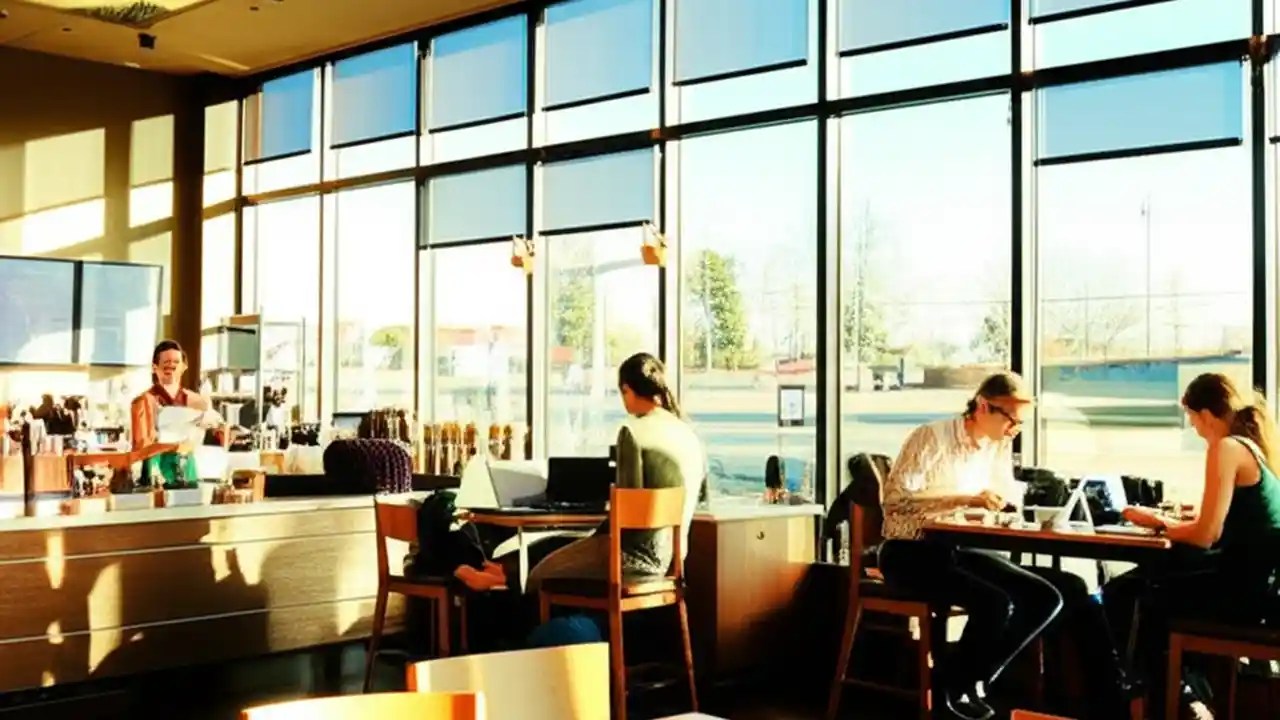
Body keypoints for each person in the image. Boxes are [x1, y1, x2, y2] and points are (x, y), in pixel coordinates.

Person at [877, 371, 1063, 720]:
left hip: (959, 548)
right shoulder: (931, 438)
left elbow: (1001, 499)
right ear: (982, 406)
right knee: (995, 602)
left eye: (1019, 423)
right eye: (1011, 420)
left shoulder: (997, 447)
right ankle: (953, 691)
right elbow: (894, 501)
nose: (1014, 430)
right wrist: (965, 498)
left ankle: (968, 680)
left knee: (1046, 598)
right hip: (909, 549)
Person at [1103, 373, 1280, 718]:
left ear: (1206, 415)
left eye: (1193, 421)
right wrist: (1179, 521)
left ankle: (1168, 701)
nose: (1196, 431)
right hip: (1260, 589)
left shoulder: (1226, 448)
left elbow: (1206, 534)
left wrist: (1160, 523)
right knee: (1143, 587)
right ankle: (1184, 693)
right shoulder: (1255, 451)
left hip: (1240, 595)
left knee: (1127, 595)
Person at [462, 352, 706, 594]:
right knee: (558, 545)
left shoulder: (634, 431)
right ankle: (502, 573)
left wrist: (594, 536)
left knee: (546, 562)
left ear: (626, 389)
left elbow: (626, 514)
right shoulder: (689, 435)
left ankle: (504, 580)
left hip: (630, 559)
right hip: (673, 557)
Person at [130, 340, 219, 487]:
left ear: (184, 367)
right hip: (156, 469)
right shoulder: (143, 401)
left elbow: (215, 430)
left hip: (188, 469)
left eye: (176, 362)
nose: (171, 366)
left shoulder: (197, 401)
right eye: (166, 362)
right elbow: (140, 445)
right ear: (154, 368)